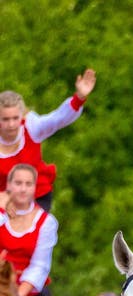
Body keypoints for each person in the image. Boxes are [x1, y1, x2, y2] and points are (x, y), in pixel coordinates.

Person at [0, 163, 75, 296]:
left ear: (35, 188)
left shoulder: (46, 222)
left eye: (28, 183)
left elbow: (39, 267)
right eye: (18, 183)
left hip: (29, 293)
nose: (23, 188)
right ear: (9, 185)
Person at [0, 69, 96, 211]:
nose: (11, 124)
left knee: (33, 230)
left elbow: (57, 119)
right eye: (5, 119)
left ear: (21, 116)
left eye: (15, 118)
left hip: (37, 196)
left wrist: (79, 98)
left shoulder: (31, 127)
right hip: (5, 201)